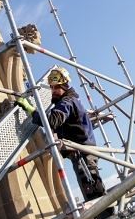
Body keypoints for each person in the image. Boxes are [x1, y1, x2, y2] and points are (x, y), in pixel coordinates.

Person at [17, 66, 108, 205]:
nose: (52, 91)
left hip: (81, 150)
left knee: (92, 188)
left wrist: (30, 109)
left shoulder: (67, 102)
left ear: (64, 86)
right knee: (90, 188)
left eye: (55, 88)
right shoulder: (69, 101)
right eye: (51, 88)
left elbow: (53, 120)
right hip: (81, 150)